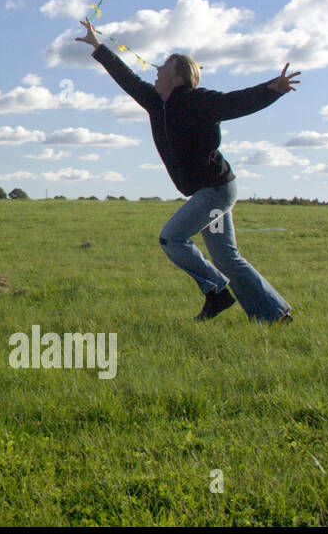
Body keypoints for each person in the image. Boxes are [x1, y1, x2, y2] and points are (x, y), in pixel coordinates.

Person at [76, 20, 299, 323]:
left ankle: (217, 291)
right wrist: (98, 47)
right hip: (211, 192)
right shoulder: (157, 104)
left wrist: (271, 89)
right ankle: (274, 315)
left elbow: (234, 102)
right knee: (226, 258)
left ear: (178, 77)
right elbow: (126, 78)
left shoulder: (198, 101)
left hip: (215, 191)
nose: (157, 69)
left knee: (172, 238)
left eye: (165, 65)